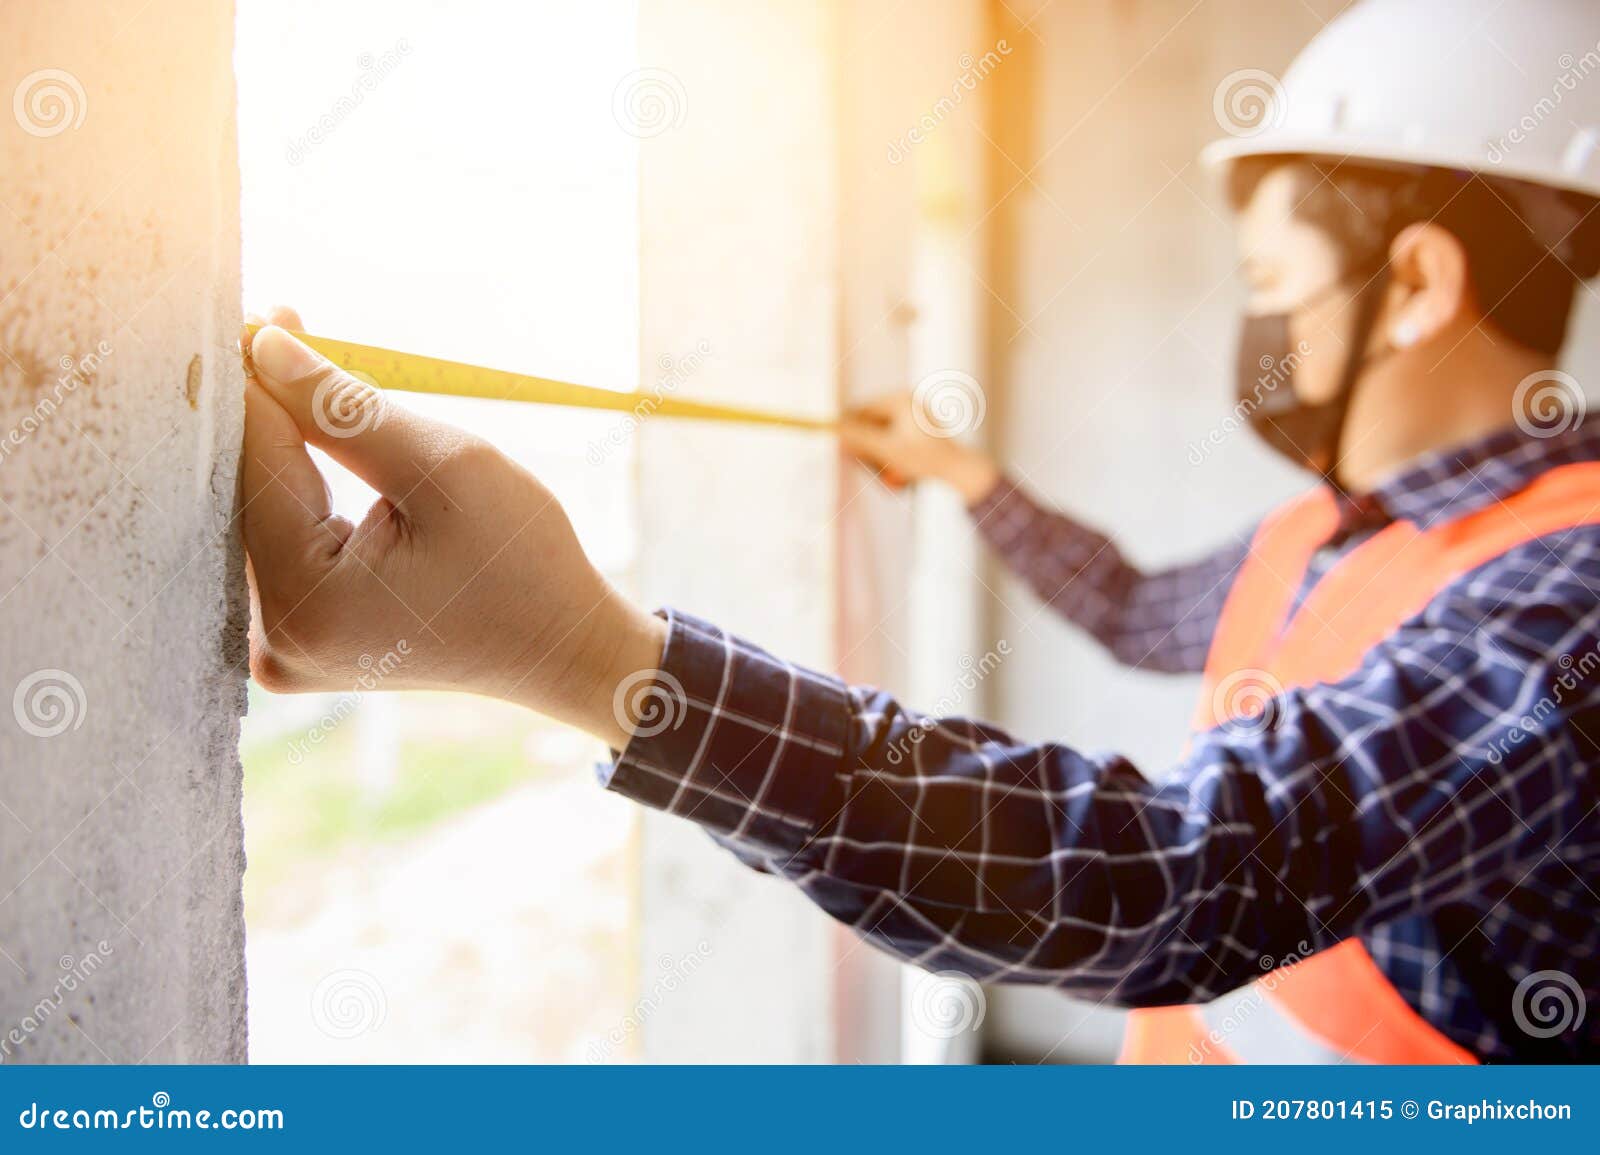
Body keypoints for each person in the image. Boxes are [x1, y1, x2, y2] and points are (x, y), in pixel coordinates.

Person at [240, 0, 1600, 1062]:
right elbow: (1134, 608)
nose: (1261, 331)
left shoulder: (1568, 598)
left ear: (1415, 283)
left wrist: (584, 656)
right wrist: (963, 475)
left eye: (1273, 285)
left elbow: (1180, 875)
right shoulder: (1336, 533)